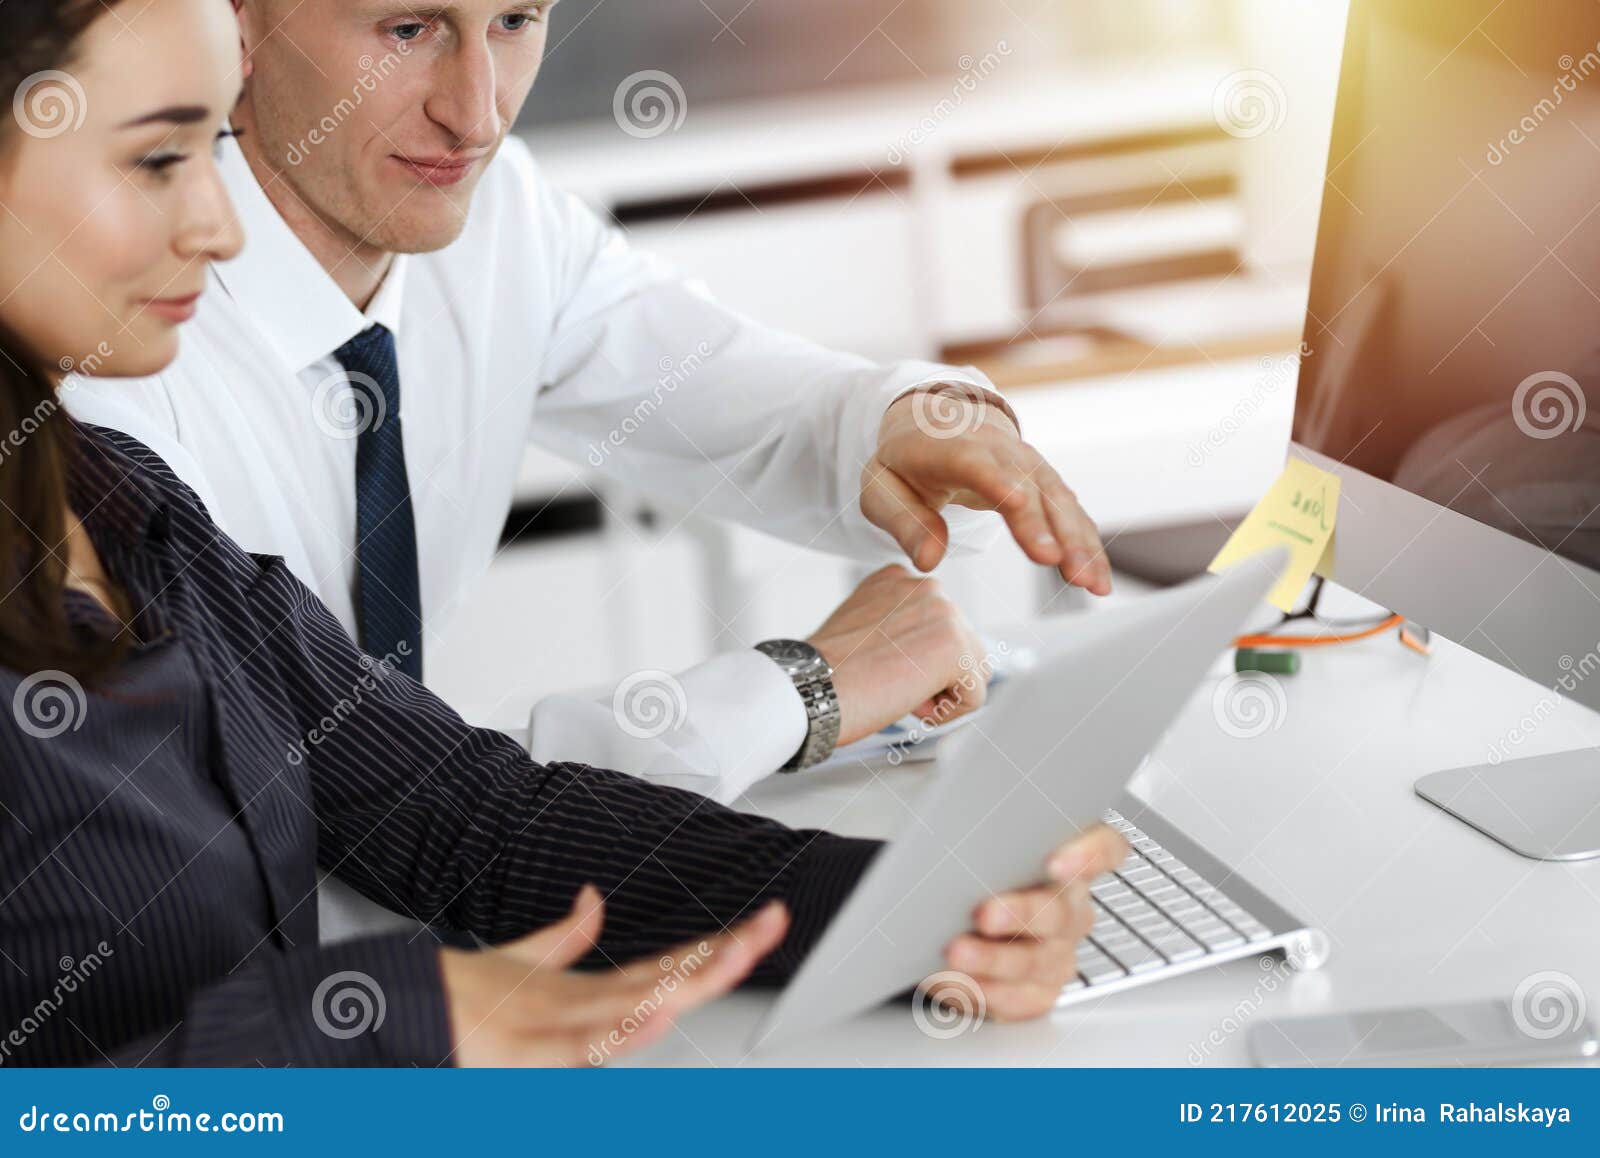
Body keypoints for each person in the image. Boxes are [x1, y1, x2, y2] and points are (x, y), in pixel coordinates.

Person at [0, 0, 1126, 1067]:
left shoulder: (125, 503)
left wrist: (921, 905)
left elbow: (456, 816)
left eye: (517, 20)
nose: (476, 111)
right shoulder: (118, 397)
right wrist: (376, 1022)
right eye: (161, 158)